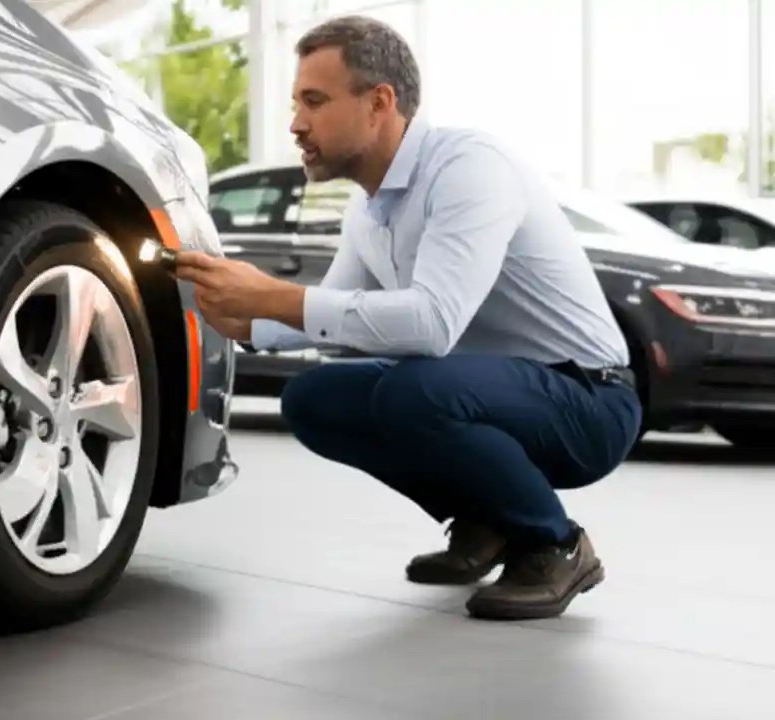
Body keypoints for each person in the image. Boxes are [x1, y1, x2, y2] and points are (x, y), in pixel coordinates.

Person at [174, 15, 642, 620]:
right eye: (295, 104)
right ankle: (486, 519)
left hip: (588, 400)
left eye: (313, 102)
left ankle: (556, 543)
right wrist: (240, 316)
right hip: (489, 390)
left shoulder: (467, 168)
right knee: (314, 401)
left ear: (379, 102)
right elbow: (334, 314)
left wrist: (271, 295)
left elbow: (430, 324)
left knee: (409, 389)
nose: (295, 124)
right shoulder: (367, 211)